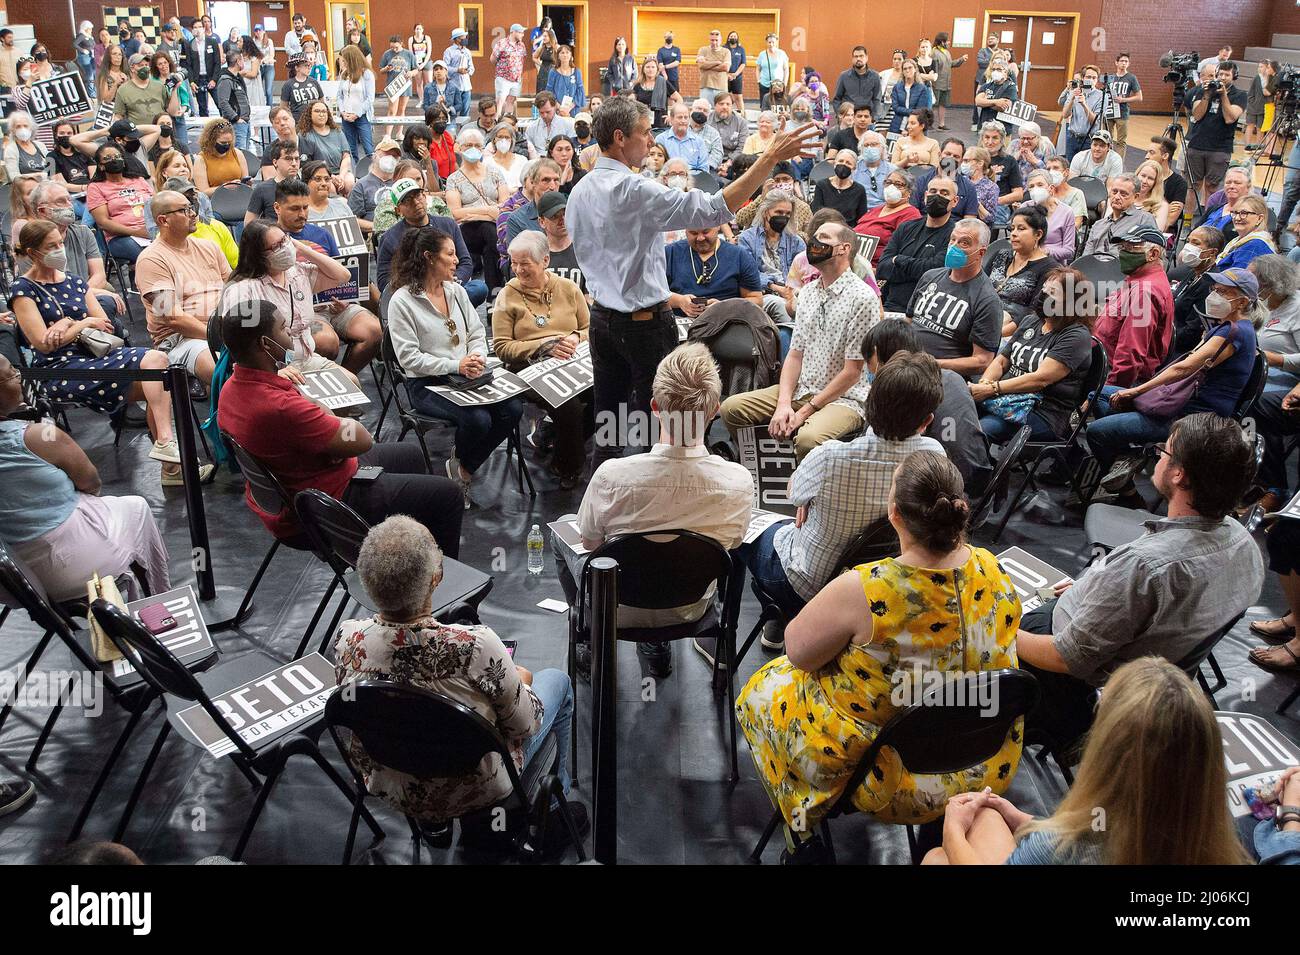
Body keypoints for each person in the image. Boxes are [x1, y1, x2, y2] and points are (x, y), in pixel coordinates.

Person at [737, 449, 1021, 859]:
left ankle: (802, 832)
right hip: (984, 762)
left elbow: (797, 652)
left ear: (895, 515)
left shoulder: (866, 588)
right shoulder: (993, 568)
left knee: (764, 688)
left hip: (888, 777)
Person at [566, 97, 818, 469]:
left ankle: (602, 508)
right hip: (643, 326)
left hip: (602, 319)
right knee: (662, 427)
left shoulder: (581, 190)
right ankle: (656, 512)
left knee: (611, 424)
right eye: (644, 132)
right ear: (620, 138)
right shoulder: (634, 190)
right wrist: (768, 159)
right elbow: (714, 209)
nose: (651, 141)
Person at [333, 514, 582, 839]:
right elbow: (524, 726)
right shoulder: (476, 646)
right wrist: (523, 684)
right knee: (558, 684)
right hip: (476, 786)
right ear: (436, 578)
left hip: (395, 781)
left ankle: (434, 824)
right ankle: (550, 813)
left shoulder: (348, 639)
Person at [1018, 415, 1263, 746]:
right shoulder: (1242, 541)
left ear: (1179, 474)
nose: (1158, 457)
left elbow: (1066, 658)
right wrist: (1095, 590)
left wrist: (999, 630)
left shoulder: (1145, 567)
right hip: (1137, 671)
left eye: (1164, 451)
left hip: (1067, 685)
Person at [927, 659, 1252, 865]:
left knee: (937, 858)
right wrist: (1031, 823)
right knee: (986, 814)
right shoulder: (1218, 839)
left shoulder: (1058, 851)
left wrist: (952, 831)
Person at [552, 342, 752, 677]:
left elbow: (589, 544)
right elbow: (730, 548)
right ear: (715, 409)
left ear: (655, 407)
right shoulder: (738, 481)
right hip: (692, 608)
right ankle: (656, 642)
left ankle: (588, 632)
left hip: (616, 605)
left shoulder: (612, 476)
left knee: (563, 527)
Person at [737, 349, 948, 652]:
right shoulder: (933, 456)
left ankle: (755, 623)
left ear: (869, 404)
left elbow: (794, 494)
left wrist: (808, 497)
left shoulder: (829, 455)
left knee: (743, 527)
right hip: (882, 590)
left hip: (807, 588)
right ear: (927, 420)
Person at [217, 299, 464, 553]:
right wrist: (328, 424)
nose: (290, 332)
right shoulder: (279, 406)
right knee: (449, 495)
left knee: (410, 455)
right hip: (325, 505)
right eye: (282, 328)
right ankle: (432, 583)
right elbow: (361, 439)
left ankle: (404, 557)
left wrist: (330, 444)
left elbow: (334, 437)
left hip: (300, 486)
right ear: (265, 344)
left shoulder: (230, 390)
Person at [10, 221, 185, 484]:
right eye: (52, 246)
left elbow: (104, 324)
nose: (61, 250)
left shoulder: (75, 282)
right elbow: (43, 343)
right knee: (158, 382)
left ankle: (164, 443)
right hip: (59, 368)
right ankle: (170, 466)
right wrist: (80, 322)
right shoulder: (23, 290)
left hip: (98, 354)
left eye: (60, 243)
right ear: (33, 252)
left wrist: (67, 324)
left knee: (157, 362)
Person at [0, 352, 169, 601]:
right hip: (71, 568)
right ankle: (160, 603)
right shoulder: (39, 437)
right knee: (137, 507)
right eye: (12, 374)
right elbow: (90, 482)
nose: (19, 377)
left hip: (14, 582)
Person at [1094, 267, 1259, 504]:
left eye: (1223, 292)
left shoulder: (1235, 333)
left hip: (1193, 416)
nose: (1214, 295)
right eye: (1214, 289)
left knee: (1098, 431)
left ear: (1242, 301)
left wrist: (1137, 390)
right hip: (1179, 401)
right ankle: (1128, 455)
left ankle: (1128, 494)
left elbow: (1183, 368)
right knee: (1099, 395)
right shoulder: (1224, 327)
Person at [387, 228, 522, 502]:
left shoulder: (456, 291)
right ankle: (461, 475)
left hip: (467, 374)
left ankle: (462, 467)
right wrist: (455, 364)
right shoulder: (401, 301)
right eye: (449, 254)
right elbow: (409, 359)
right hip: (426, 382)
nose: (457, 260)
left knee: (513, 409)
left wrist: (475, 358)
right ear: (428, 258)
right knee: (478, 420)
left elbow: (475, 332)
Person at [721, 221, 875, 460]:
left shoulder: (863, 298)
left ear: (844, 248)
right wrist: (783, 403)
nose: (814, 243)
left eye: (823, 237)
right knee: (732, 409)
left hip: (845, 399)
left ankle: (806, 492)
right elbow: (795, 355)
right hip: (801, 390)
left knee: (807, 439)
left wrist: (803, 412)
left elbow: (852, 372)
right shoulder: (809, 292)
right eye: (814, 237)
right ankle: (757, 471)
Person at [494, 229, 591, 485]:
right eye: (514, 263)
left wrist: (574, 338)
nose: (518, 270)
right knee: (568, 406)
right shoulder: (507, 295)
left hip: (572, 361)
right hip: (527, 368)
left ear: (545, 261)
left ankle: (556, 438)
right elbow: (502, 347)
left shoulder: (569, 288)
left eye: (525, 263)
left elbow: (590, 328)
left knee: (605, 395)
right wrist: (543, 346)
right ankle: (567, 466)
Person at [972, 265, 1094, 443]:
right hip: (1007, 398)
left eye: (1052, 292)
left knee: (980, 431)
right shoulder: (1031, 321)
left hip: (1043, 412)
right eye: (1044, 288)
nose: (1043, 294)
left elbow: (1040, 379)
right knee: (956, 408)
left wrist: (992, 389)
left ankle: (980, 469)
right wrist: (984, 383)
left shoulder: (1076, 336)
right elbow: (1001, 361)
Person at [134, 190, 224, 386]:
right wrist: (220, 338)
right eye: (184, 210)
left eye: (192, 207)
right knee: (221, 367)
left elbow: (235, 290)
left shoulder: (209, 247)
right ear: (163, 220)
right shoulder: (151, 260)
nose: (193, 213)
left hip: (223, 327)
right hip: (180, 339)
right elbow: (173, 318)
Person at [906, 218, 1001, 378]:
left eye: (964, 243)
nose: (954, 246)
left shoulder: (987, 299)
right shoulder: (929, 276)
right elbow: (908, 322)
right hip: (904, 365)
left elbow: (982, 361)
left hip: (939, 376)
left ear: (981, 252)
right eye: (953, 239)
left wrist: (931, 363)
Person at [25, 181, 126, 320]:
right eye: (61, 201)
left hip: (85, 292)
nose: (69, 205)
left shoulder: (84, 232)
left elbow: (99, 276)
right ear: (42, 210)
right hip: (52, 302)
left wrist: (82, 296)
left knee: (107, 303)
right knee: (106, 303)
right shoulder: (31, 242)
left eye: (69, 200)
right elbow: (38, 289)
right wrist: (80, 298)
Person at [1093, 224, 1176, 394]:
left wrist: (1106, 393)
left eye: (1131, 248)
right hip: (1102, 364)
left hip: (1113, 378)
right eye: (1123, 247)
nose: (1123, 253)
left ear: (1153, 254)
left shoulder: (1145, 292)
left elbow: (1130, 353)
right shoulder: (1136, 278)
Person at [378, 175, 485, 306]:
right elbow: (384, 281)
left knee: (479, 288)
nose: (416, 202)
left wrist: (451, 282)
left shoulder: (448, 224)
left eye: (418, 196)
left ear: (425, 197)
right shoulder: (390, 238)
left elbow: (465, 262)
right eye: (407, 200)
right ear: (398, 210)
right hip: (414, 295)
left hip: (450, 286)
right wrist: (419, 287)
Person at [877, 174, 958, 312]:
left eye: (944, 193)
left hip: (926, 311)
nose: (937, 196)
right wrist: (916, 269)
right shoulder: (906, 227)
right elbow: (883, 268)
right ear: (926, 195)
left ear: (954, 201)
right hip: (891, 305)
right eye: (933, 191)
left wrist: (899, 260)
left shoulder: (955, 235)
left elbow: (934, 272)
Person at [445, 127, 509, 294]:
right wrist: (489, 211)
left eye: (477, 145)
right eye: (468, 145)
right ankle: (495, 291)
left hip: (493, 227)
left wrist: (475, 212)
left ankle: (491, 292)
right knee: (491, 233)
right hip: (468, 230)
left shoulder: (495, 173)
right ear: (460, 148)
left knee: (490, 243)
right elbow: (455, 213)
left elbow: (505, 204)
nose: (473, 149)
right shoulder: (454, 179)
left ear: (482, 148)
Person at [984, 206, 1057, 335]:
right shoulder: (1001, 255)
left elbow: (1033, 312)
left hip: (1015, 331)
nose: (1013, 233)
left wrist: (999, 333)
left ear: (1038, 234)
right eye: (1012, 228)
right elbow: (979, 286)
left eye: (1021, 229)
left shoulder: (1049, 268)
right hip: (982, 316)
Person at [1185, 62, 1248, 209]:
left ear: (1234, 77)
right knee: (1193, 186)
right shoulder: (1203, 90)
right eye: (1220, 74)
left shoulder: (1239, 95)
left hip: (1220, 148)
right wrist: (1207, 94)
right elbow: (1197, 115)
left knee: (1212, 187)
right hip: (1197, 144)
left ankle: (1208, 220)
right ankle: (1187, 221)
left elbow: (1230, 118)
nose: (1223, 78)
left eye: (1227, 75)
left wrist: (1224, 95)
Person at [738, 192, 806, 323]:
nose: (783, 217)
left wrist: (792, 290)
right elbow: (748, 274)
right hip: (763, 293)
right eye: (779, 212)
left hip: (792, 291)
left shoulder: (796, 241)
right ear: (765, 212)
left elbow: (804, 271)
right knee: (781, 306)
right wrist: (775, 287)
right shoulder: (747, 239)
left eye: (787, 214)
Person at [665, 225, 763, 312]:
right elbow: (654, 295)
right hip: (679, 321)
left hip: (727, 321)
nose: (700, 238)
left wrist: (726, 307)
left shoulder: (739, 255)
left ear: (718, 226)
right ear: (685, 230)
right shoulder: (670, 253)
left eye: (706, 232)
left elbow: (756, 299)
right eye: (693, 233)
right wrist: (679, 301)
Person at [85, 142, 153, 264]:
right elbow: (103, 223)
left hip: (151, 230)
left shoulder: (138, 180)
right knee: (150, 256)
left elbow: (157, 204)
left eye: (117, 156)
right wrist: (137, 232)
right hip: (121, 237)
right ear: (101, 166)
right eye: (108, 158)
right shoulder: (95, 187)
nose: (114, 160)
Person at [1171, 226, 1227, 358]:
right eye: (1189, 241)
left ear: (1212, 252)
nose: (1188, 247)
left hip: (1180, 349)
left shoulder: (1212, 285)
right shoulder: (1192, 272)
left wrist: (1162, 337)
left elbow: (1192, 331)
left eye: (1195, 243)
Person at [854, 168, 920, 267]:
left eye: (898, 184)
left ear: (909, 191)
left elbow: (904, 250)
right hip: (854, 261)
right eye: (888, 183)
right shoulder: (875, 210)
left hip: (877, 268)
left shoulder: (911, 214)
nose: (892, 187)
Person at [1082, 174, 1158, 257]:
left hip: (1125, 267)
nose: (1117, 197)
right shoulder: (1098, 225)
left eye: (1123, 194)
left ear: (1135, 197)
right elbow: (1085, 258)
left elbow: (1152, 254)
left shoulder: (1144, 219)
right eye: (1114, 192)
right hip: (1095, 267)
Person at [299, 99, 354, 196]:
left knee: (349, 183)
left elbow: (346, 156)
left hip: (340, 171)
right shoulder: (304, 135)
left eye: (324, 111)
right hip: (319, 174)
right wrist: (331, 177)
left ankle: (349, 210)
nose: (321, 114)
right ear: (309, 114)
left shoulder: (337, 131)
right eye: (317, 111)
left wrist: (341, 176)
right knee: (330, 188)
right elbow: (308, 164)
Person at [1023, 169, 1076, 263]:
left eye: (1040, 185)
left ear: (1051, 188)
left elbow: (1069, 251)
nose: (1035, 189)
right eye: (1031, 186)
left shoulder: (1066, 212)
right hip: (1026, 261)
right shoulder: (1025, 208)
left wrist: (1045, 252)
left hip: (1052, 265)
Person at [1213, 194, 1276, 271]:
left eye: (1244, 213)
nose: (1237, 218)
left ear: (1259, 218)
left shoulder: (1254, 246)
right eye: (1235, 213)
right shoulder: (1238, 241)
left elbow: (1237, 279)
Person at [113, 53, 174, 128]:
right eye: (141, 65)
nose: (145, 68)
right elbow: (118, 116)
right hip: (137, 134)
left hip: (160, 132)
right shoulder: (123, 90)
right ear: (132, 68)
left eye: (146, 65)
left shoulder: (160, 86)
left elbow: (169, 109)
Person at [336, 45, 375, 162]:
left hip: (361, 117)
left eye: (344, 60)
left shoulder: (366, 74)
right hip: (346, 117)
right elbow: (339, 96)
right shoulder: (344, 74)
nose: (342, 62)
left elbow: (370, 98)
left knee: (368, 149)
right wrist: (342, 112)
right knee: (350, 149)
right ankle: (353, 175)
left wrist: (357, 114)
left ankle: (373, 174)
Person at [249, 139, 302, 224]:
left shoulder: (305, 187)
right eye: (288, 159)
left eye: (297, 159)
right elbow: (249, 223)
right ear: (275, 162)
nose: (294, 163)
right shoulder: (262, 189)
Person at [192, 118, 249, 196]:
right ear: (211, 140)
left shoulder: (237, 153)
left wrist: (247, 182)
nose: (227, 145)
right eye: (223, 142)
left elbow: (245, 180)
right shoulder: (201, 159)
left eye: (229, 142)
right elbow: (203, 192)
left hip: (238, 196)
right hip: (215, 200)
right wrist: (225, 187)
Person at [1058, 65, 1104, 161]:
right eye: (1088, 77)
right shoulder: (1075, 92)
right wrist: (1072, 99)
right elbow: (1065, 114)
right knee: (1070, 166)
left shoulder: (1101, 96)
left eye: (1094, 78)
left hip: (1089, 139)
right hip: (1072, 137)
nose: (1091, 80)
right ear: (1083, 78)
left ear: (1097, 80)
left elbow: (1095, 121)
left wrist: (1084, 104)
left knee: (1085, 168)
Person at [1194, 164, 1255, 236]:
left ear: (1248, 187)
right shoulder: (1214, 208)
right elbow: (1195, 229)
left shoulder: (1251, 213)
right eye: (1228, 182)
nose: (1231, 186)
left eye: (1237, 183)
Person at [812, 149, 869, 225]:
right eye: (841, 161)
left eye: (848, 163)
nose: (843, 165)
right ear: (835, 163)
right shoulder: (821, 185)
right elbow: (816, 212)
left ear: (854, 168)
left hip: (848, 231)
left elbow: (861, 218)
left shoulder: (859, 190)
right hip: (824, 227)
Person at [656, 102, 709, 173]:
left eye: (686, 117)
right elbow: (656, 166)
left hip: (693, 180)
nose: (683, 121)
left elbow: (704, 169)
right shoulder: (661, 140)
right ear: (671, 119)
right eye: (680, 117)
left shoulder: (698, 142)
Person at [213, 52, 251, 152]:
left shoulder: (237, 78)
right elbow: (223, 103)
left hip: (244, 121)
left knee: (245, 154)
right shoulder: (225, 80)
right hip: (236, 123)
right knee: (239, 153)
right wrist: (236, 118)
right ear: (238, 61)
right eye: (242, 60)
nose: (243, 62)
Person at [930, 32, 967, 131]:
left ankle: (941, 124)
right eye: (947, 40)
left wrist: (961, 59)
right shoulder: (933, 52)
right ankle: (929, 123)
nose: (949, 42)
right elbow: (933, 69)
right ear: (942, 42)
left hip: (946, 84)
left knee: (943, 104)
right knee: (933, 104)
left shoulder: (946, 52)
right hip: (936, 83)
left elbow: (951, 64)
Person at [831, 45, 882, 118]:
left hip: (867, 119)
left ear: (866, 58)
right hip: (849, 118)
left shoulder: (875, 76)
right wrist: (841, 116)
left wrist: (874, 118)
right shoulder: (844, 76)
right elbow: (836, 99)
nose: (858, 58)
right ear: (852, 59)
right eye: (856, 56)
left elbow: (877, 99)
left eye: (861, 56)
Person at [1146, 136, 1187, 225]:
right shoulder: (1142, 176)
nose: (1146, 156)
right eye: (1147, 152)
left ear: (1165, 156)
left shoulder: (1179, 183)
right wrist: (1165, 209)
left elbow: (1170, 220)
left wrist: (1147, 207)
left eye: (1151, 153)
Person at [186, 19, 222, 118]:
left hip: (212, 77)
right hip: (198, 79)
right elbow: (188, 65)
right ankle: (206, 131)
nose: (198, 29)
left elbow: (217, 62)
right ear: (192, 30)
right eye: (195, 27)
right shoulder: (190, 44)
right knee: (202, 108)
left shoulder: (212, 42)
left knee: (221, 104)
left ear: (203, 28)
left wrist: (214, 79)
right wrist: (191, 81)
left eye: (200, 27)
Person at [889, 62, 934, 137]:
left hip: (915, 126)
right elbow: (895, 108)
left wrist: (907, 129)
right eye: (905, 69)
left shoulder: (922, 89)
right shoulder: (897, 87)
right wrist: (912, 111)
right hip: (896, 125)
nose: (907, 70)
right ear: (902, 72)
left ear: (915, 69)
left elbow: (920, 111)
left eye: (910, 68)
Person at [491, 24, 527, 113]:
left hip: (516, 79)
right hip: (503, 77)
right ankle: (496, 119)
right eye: (520, 32)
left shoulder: (522, 45)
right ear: (513, 32)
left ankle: (508, 120)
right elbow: (493, 59)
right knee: (500, 101)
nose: (522, 34)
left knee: (511, 100)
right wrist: (503, 68)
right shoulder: (502, 43)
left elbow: (523, 59)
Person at [3, 110, 47, 180]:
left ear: (31, 128)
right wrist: (39, 175)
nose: (22, 129)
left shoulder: (41, 146)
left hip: (48, 186)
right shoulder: (11, 150)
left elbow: (52, 170)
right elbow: (14, 177)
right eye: (18, 126)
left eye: (25, 126)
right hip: (27, 188)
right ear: (13, 130)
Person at [974, 59, 1017, 130]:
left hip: (1003, 129)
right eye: (993, 69)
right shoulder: (986, 86)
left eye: (999, 69)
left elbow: (1002, 107)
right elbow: (978, 102)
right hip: (985, 128)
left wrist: (985, 103)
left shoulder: (1011, 87)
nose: (995, 72)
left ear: (1005, 72)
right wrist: (996, 102)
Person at [1245, 59, 1277, 151]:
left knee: (1260, 128)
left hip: (1264, 108)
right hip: (1253, 106)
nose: (1259, 68)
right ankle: (1247, 146)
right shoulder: (1256, 78)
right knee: (1250, 125)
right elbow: (1251, 92)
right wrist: (1252, 102)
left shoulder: (1271, 79)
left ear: (1267, 68)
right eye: (1258, 66)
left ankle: (1258, 146)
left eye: (1261, 66)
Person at [442, 28, 475, 119]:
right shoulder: (449, 51)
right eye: (463, 37)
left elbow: (472, 67)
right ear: (457, 39)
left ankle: (463, 130)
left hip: (466, 86)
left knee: (465, 110)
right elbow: (445, 67)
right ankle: (451, 129)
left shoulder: (467, 51)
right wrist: (457, 70)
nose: (465, 39)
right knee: (452, 110)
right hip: (454, 85)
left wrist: (468, 71)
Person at [546, 44, 585, 115]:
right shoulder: (553, 72)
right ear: (558, 56)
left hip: (573, 109)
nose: (565, 55)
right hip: (557, 110)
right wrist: (559, 107)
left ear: (571, 55)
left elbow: (580, 91)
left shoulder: (577, 72)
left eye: (567, 52)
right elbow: (549, 92)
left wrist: (569, 107)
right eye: (562, 53)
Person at [486, 122, 527, 190]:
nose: (503, 140)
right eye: (500, 137)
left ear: (512, 140)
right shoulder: (487, 163)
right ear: (494, 139)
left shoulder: (522, 160)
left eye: (507, 137)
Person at [696, 30, 731, 107]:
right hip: (706, 86)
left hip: (721, 87)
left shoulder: (726, 51)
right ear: (709, 40)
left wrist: (707, 63)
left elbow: (726, 67)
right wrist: (717, 62)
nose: (714, 42)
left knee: (721, 110)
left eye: (716, 40)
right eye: (712, 40)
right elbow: (701, 65)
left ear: (721, 40)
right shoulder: (703, 50)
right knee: (704, 110)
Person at [756, 33, 788, 105]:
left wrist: (785, 82)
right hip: (764, 84)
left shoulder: (782, 54)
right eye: (769, 42)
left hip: (778, 85)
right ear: (766, 43)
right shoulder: (762, 54)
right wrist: (758, 80)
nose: (771, 44)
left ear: (776, 42)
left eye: (773, 42)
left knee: (777, 104)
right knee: (764, 104)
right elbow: (758, 68)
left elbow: (786, 69)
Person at [724, 31, 747, 114]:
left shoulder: (741, 49)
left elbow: (743, 63)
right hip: (724, 77)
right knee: (723, 97)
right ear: (728, 38)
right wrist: (727, 74)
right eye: (731, 36)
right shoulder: (723, 48)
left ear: (737, 38)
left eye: (734, 36)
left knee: (738, 97)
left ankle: (742, 115)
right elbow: (721, 62)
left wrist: (735, 74)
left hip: (737, 77)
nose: (733, 38)